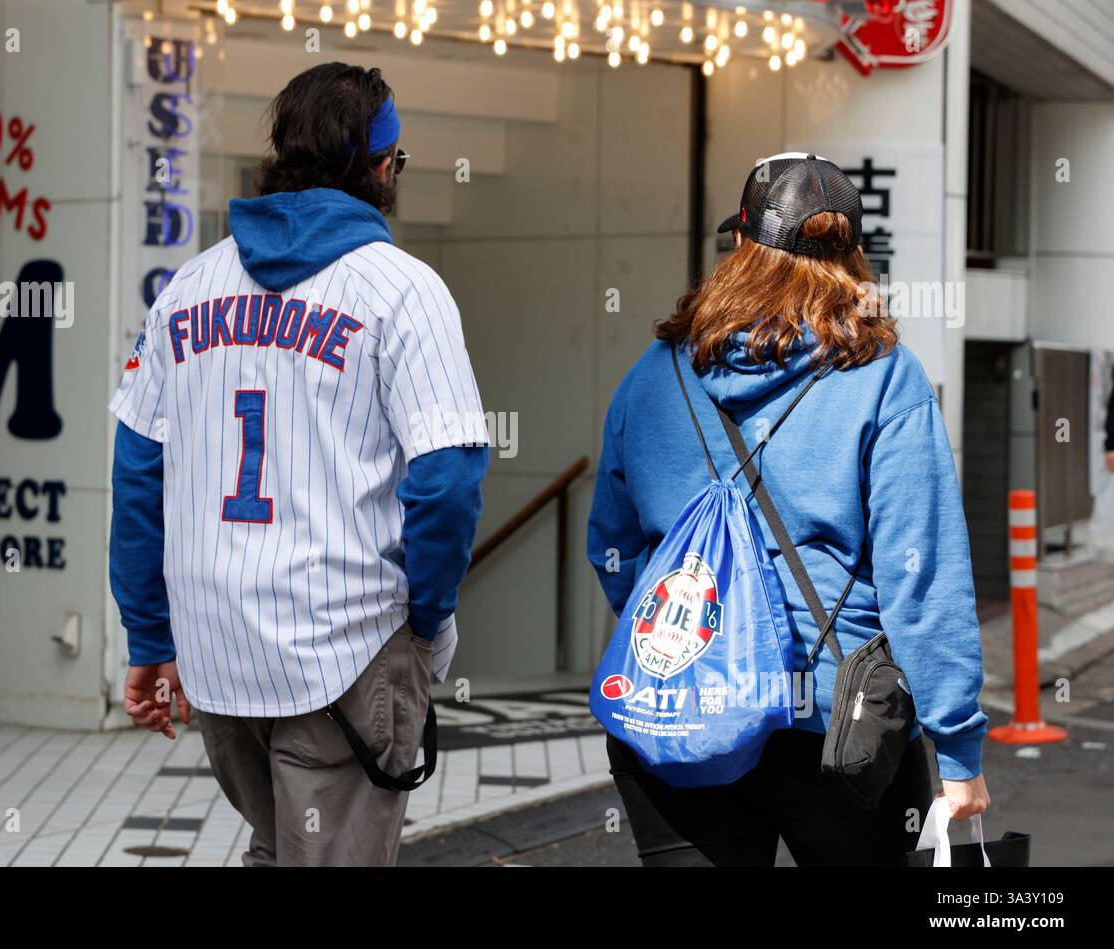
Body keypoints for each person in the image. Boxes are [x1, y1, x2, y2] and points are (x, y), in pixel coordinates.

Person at [107, 63, 489, 866]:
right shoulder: (404, 290)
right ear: (383, 167)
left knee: (279, 849)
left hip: (218, 656)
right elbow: (447, 477)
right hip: (344, 649)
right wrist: (426, 621)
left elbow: (138, 468)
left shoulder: (187, 288)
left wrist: (148, 636)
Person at [587, 153, 990, 867]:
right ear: (853, 259)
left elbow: (613, 548)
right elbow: (921, 580)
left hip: (678, 713)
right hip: (838, 730)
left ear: (740, 245)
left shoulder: (655, 375)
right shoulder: (885, 380)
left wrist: (693, 641)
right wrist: (958, 746)